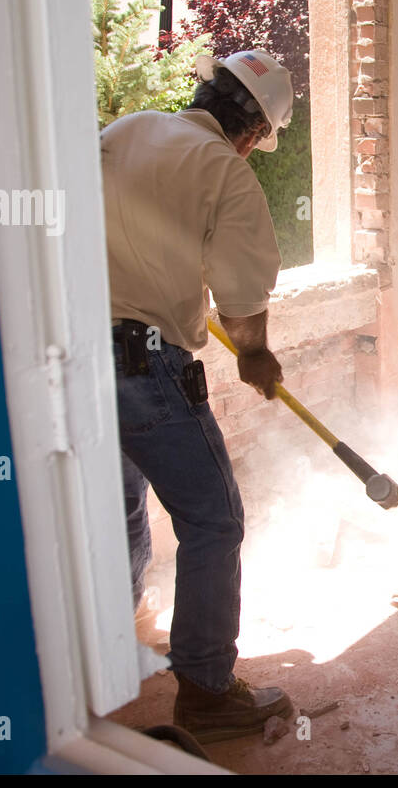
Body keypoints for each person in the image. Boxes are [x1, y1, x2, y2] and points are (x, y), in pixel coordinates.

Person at [101, 49, 294, 742]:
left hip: (75, 353)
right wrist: (257, 356)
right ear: (251, 134)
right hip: (144, 366)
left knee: (121, 500)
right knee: (214, 521)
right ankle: (209, 689)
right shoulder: (226, 173)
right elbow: (243, 299)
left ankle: (113, 638)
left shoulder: (129, 130)